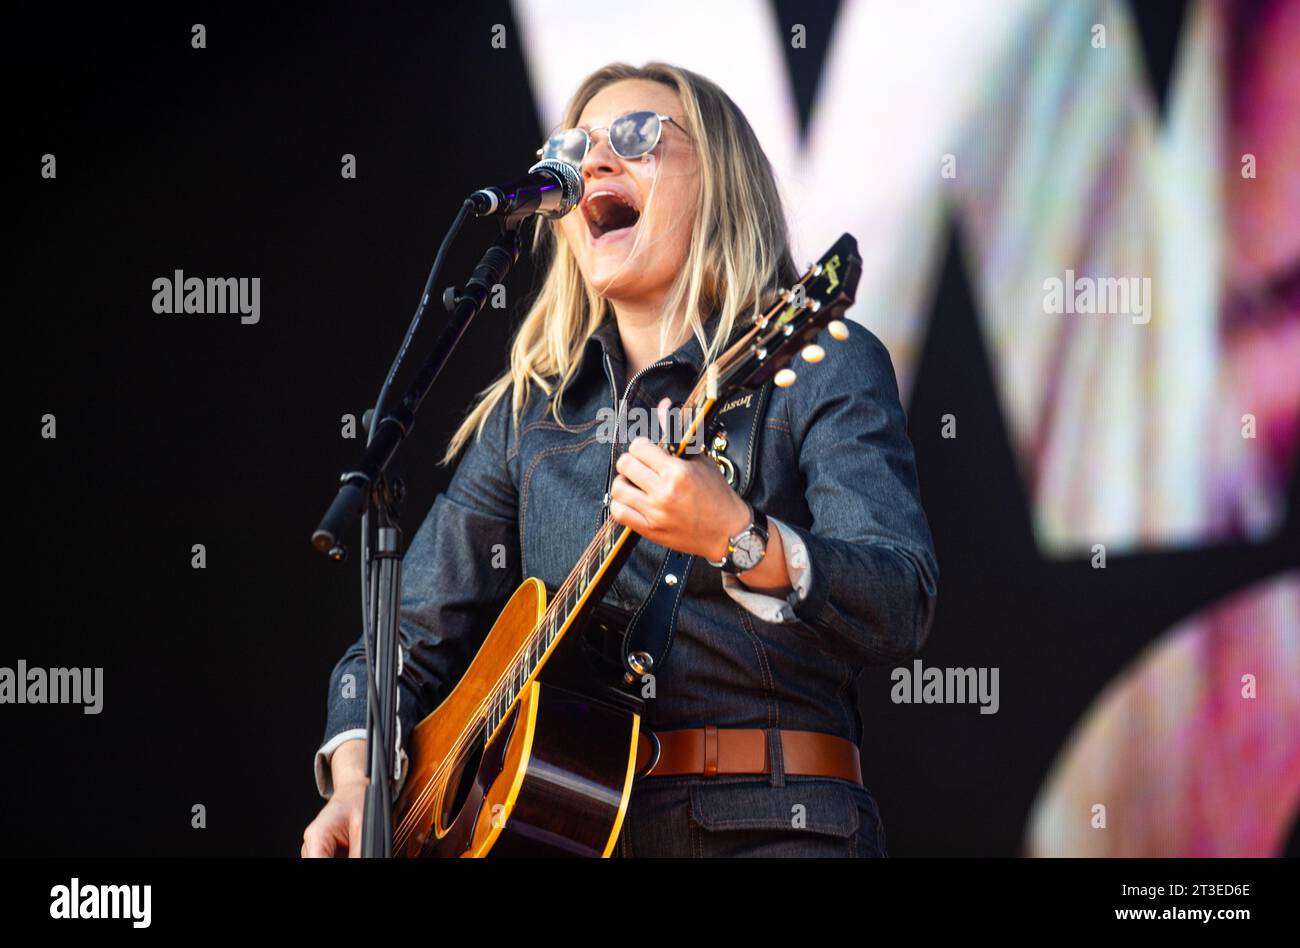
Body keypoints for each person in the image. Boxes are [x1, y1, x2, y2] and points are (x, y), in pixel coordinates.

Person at [302, 61, 938, 858]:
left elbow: (900, 597)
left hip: (773, 825)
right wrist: (361, 783)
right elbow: (396, 647)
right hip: (569, 831)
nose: (592, 162)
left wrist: (741, 539)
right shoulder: (531, 414)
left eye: (636, 138)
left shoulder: (821, 365)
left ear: (722, 183)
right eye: (573, 147)